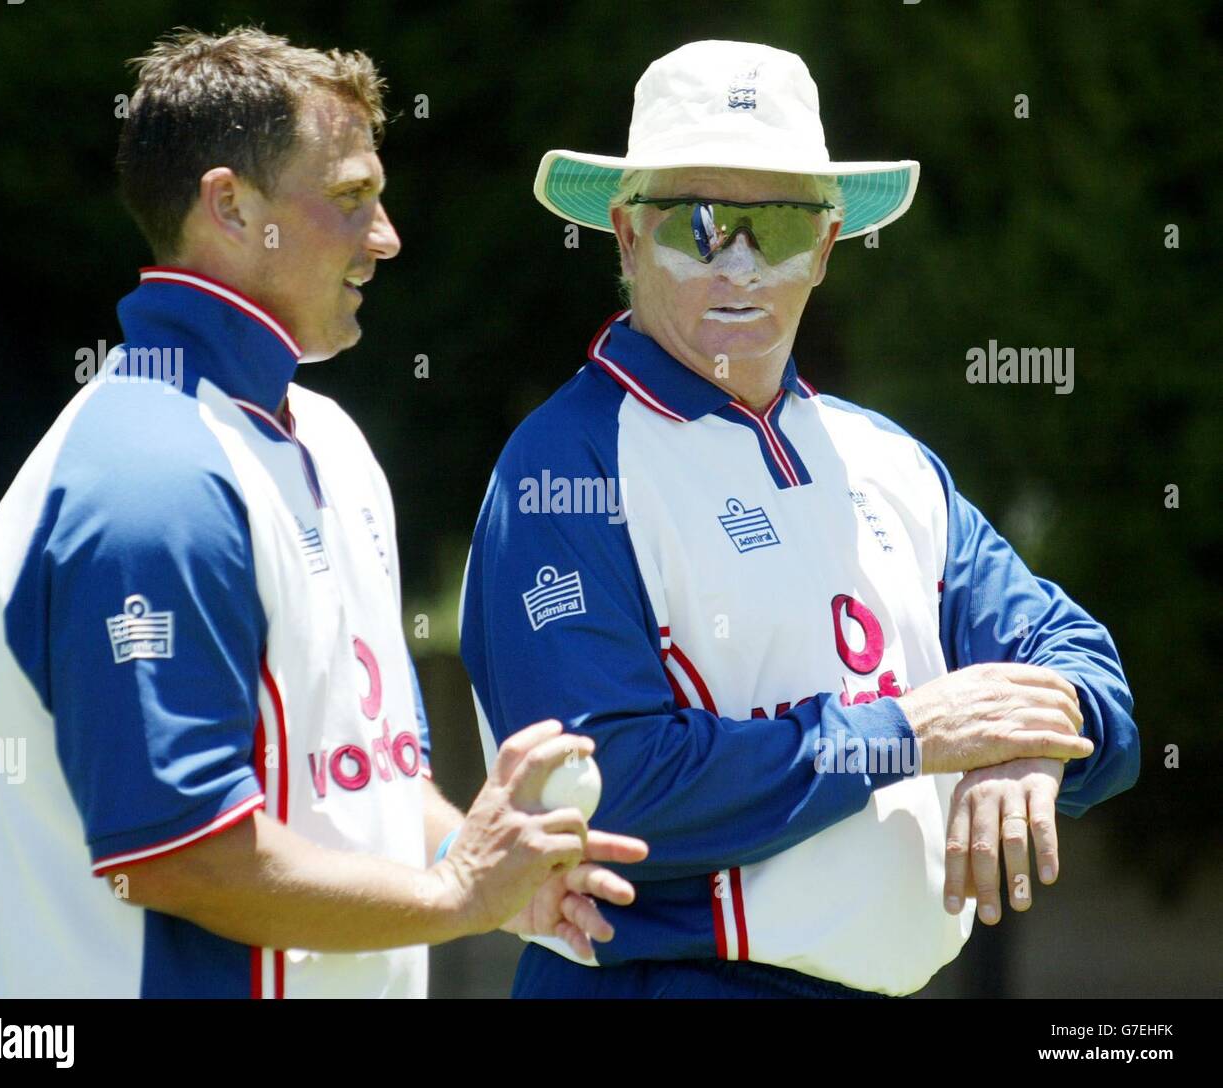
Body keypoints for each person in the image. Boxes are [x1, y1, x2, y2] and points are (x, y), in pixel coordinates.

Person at [0, 26, 645, 999]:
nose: (386, 236)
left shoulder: (329, 439)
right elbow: (178, 853)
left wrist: (488, 866)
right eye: (351, 198)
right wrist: (457, 891)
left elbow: (371, 781)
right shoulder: (145, 480)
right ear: (230, 207)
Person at [459, 40, 1139, 999]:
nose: (737, 261)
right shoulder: (565, 463)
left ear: (825, 247)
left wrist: (1027, 743)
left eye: (775, 225)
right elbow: (604, 785)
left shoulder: (887, 456)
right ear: (623, 236)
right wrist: (907, 734)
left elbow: (1078, 660)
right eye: (697, 223)